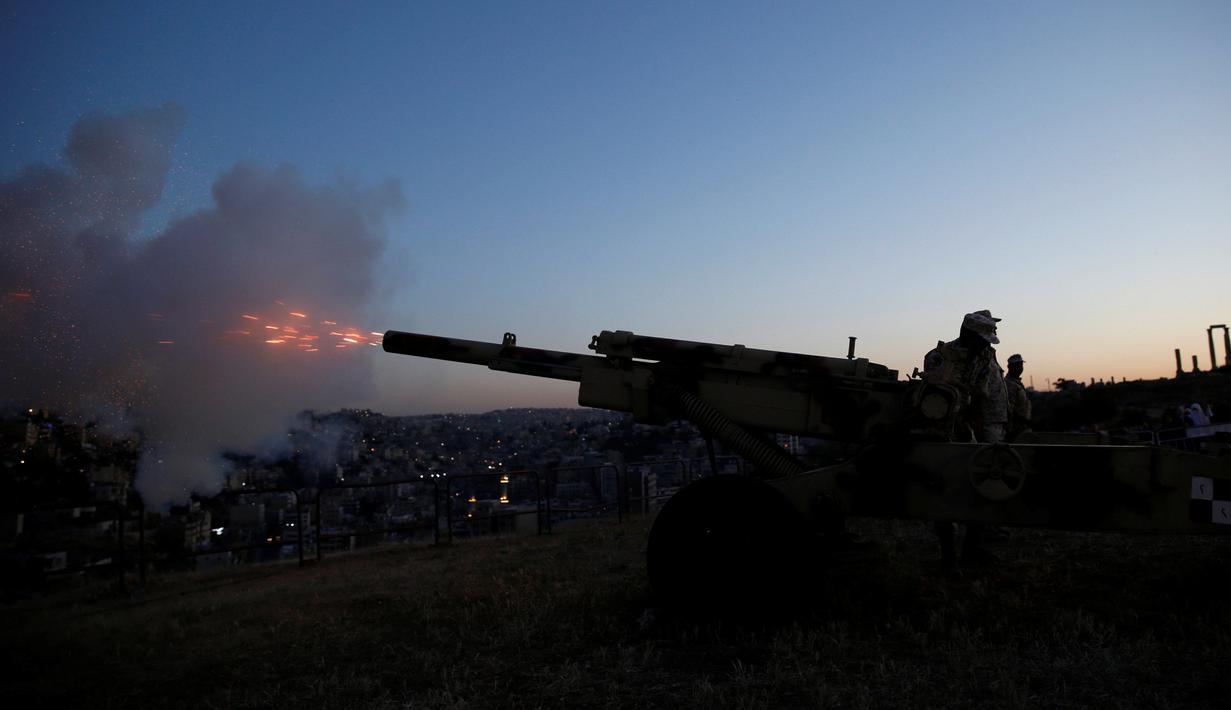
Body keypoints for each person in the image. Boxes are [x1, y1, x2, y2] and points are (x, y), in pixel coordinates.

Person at [923, 309, 1008, 576]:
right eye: (981, 338)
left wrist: (979, 429)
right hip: (943, 433)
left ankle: (971, 548)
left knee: (981, 487)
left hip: (976, 429)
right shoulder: (938, 357)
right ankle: (948, 557)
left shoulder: (984, 356)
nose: (986, 344)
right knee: (944, 490)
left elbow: (981, 397)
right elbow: (935, 399)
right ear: (966, 334)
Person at [1005, 354, 1032, 440]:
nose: (1020, 368)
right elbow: (1009, 409)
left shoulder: (1017, 383)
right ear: (1009, 367)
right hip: (1015, 426)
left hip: (1023, 425)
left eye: (1021, 365)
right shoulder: (1009, 384)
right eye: (1017, 365)